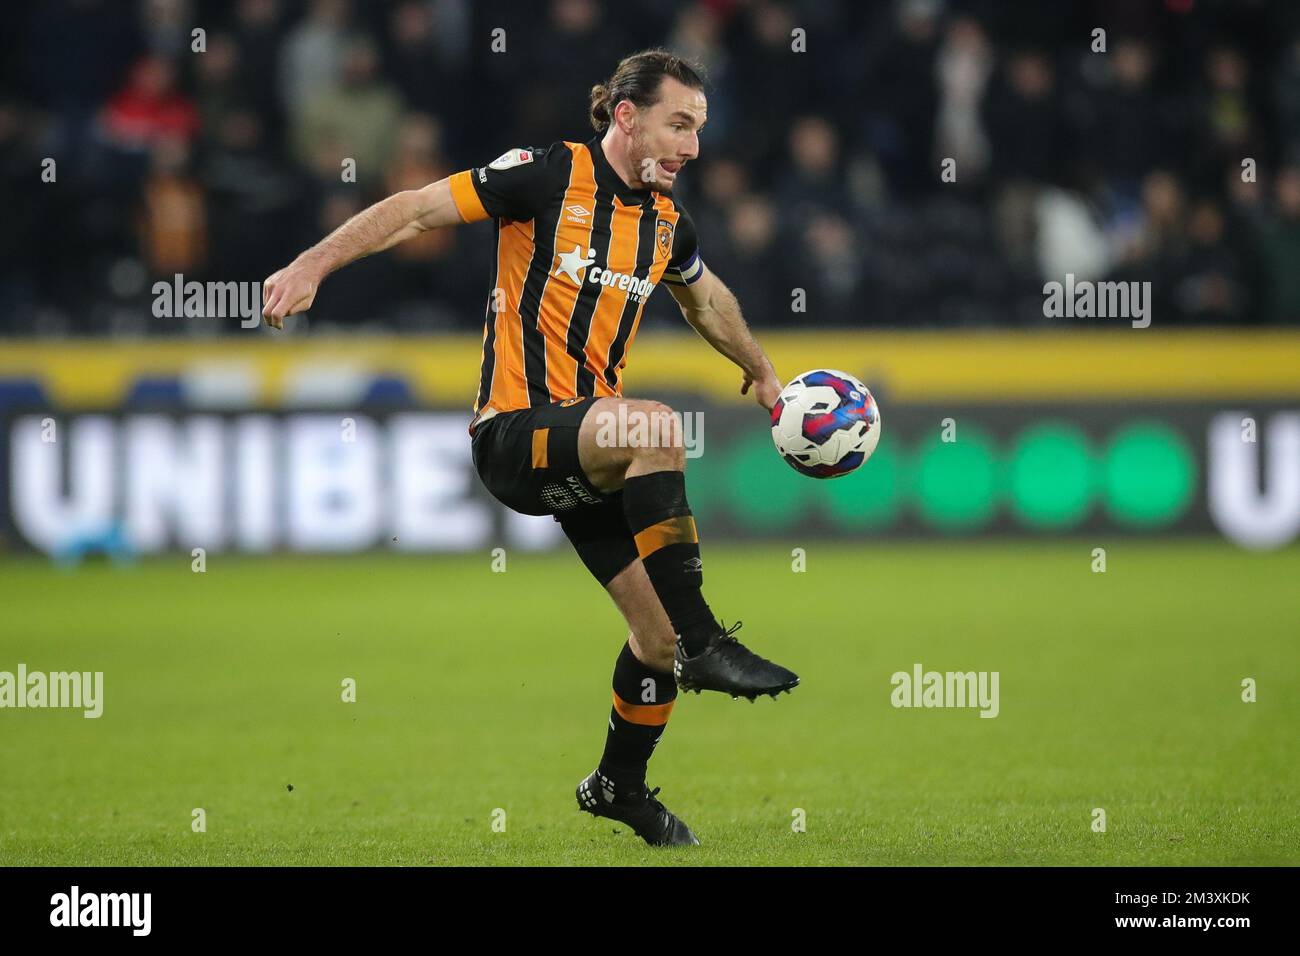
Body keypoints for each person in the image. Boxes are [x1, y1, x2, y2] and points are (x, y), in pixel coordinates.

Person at [261, 49, 799, 847]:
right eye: (678, 124)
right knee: (652, 425)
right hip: (514, 434)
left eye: (698, 129)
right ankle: (707, 642)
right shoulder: (547, 175)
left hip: (588, 454)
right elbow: (414, 209)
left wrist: (760, 372)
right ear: (627, 116)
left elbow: (706, 297)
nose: (691, 146)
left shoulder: (664, 221)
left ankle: (620, 784)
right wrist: (313, 262)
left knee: (649, 640)